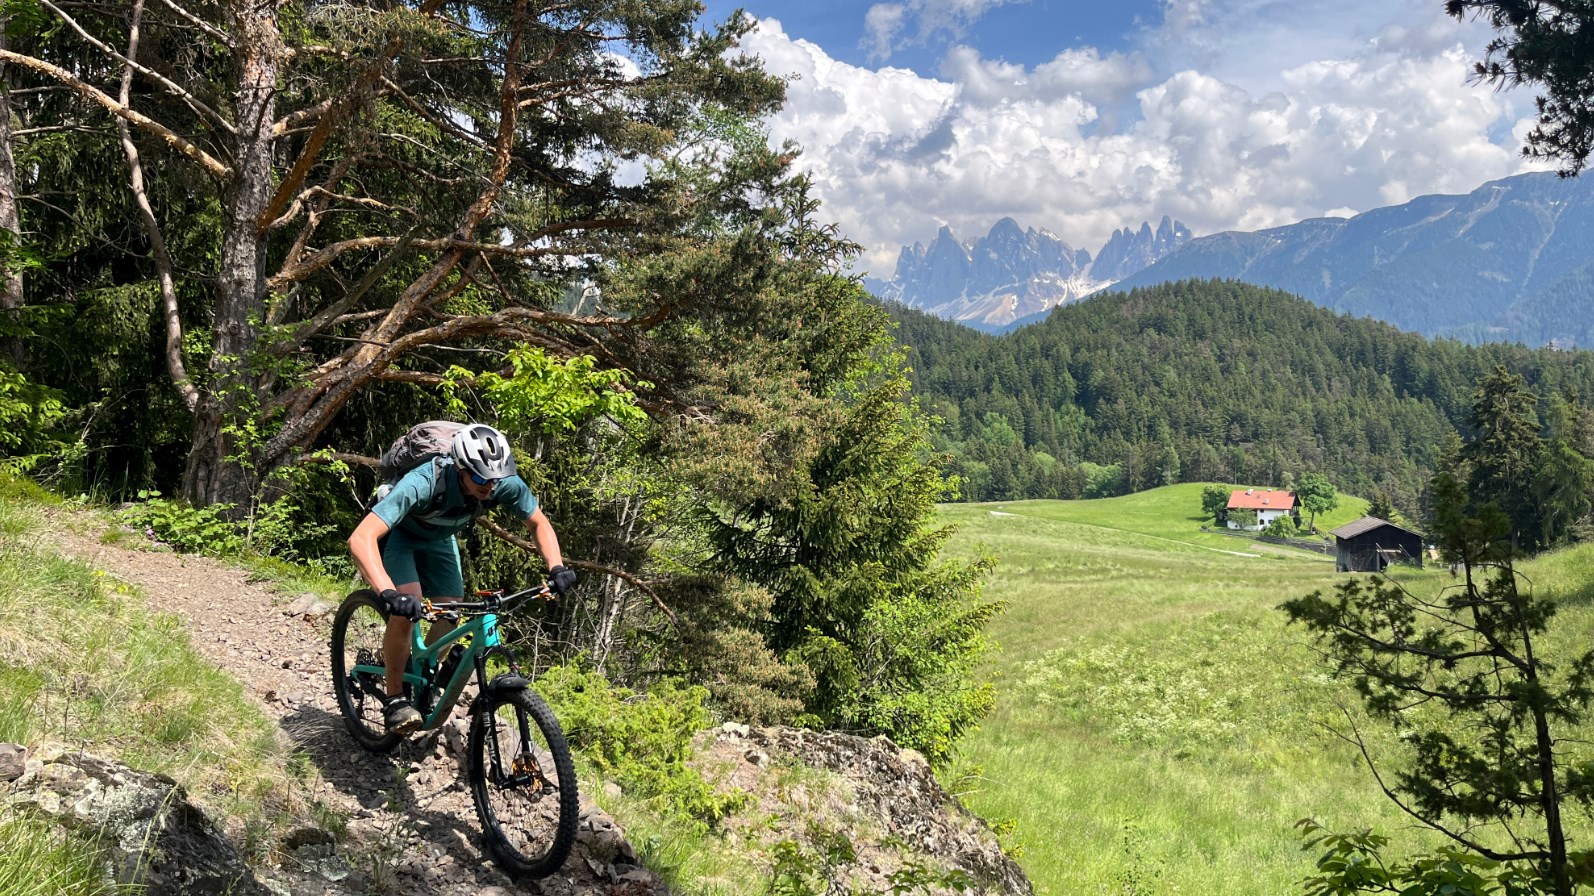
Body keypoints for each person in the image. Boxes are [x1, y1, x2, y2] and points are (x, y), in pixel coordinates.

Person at [347, 423, 577, 734]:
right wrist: (388, 592)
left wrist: (556, 567)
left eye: (495, 478)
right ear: (460, 467)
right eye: (480, 477)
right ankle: (395, 697)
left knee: (449, 614)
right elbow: (360, 539)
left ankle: (418, 672)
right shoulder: (423, 482)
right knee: (407, 609)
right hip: (399, 534)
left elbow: (538, 523)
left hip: (440, 539)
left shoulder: (500, 481)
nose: (489, 486)